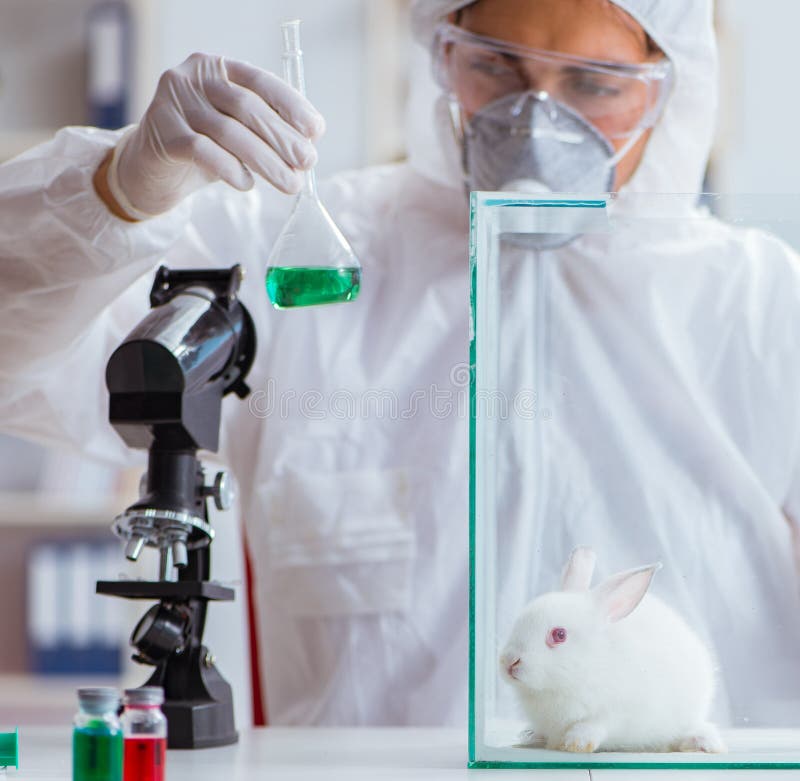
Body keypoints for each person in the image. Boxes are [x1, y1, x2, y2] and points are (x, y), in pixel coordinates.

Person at [1, 0, 800, 732]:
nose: (536, 121)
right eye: (495, 66)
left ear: (670, 92)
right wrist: (114, 196)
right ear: (440, 54)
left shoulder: (759, 307)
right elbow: (26, 369)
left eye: (595, 84)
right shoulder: (309, 257)